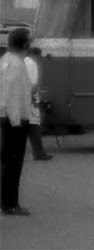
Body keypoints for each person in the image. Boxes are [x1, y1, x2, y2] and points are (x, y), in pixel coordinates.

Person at [1, 27, 37, 216]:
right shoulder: (15, 64)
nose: (31, 44)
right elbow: (13, 95)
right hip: (15, 120)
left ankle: (8, 202)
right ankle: (10, 204)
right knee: (13, 163)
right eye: (29, 41)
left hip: (11, 118)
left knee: (9, 162)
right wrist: (17, 122)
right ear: (24, 43)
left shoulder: (8, 61)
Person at [25, 48, 50, 161]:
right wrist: (35, 100)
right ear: (35, 55)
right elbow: (33, 84)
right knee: (35, 127)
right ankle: (38, 153)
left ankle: (38, 153)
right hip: (30, 100)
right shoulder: (32, 64)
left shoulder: (22, 61)